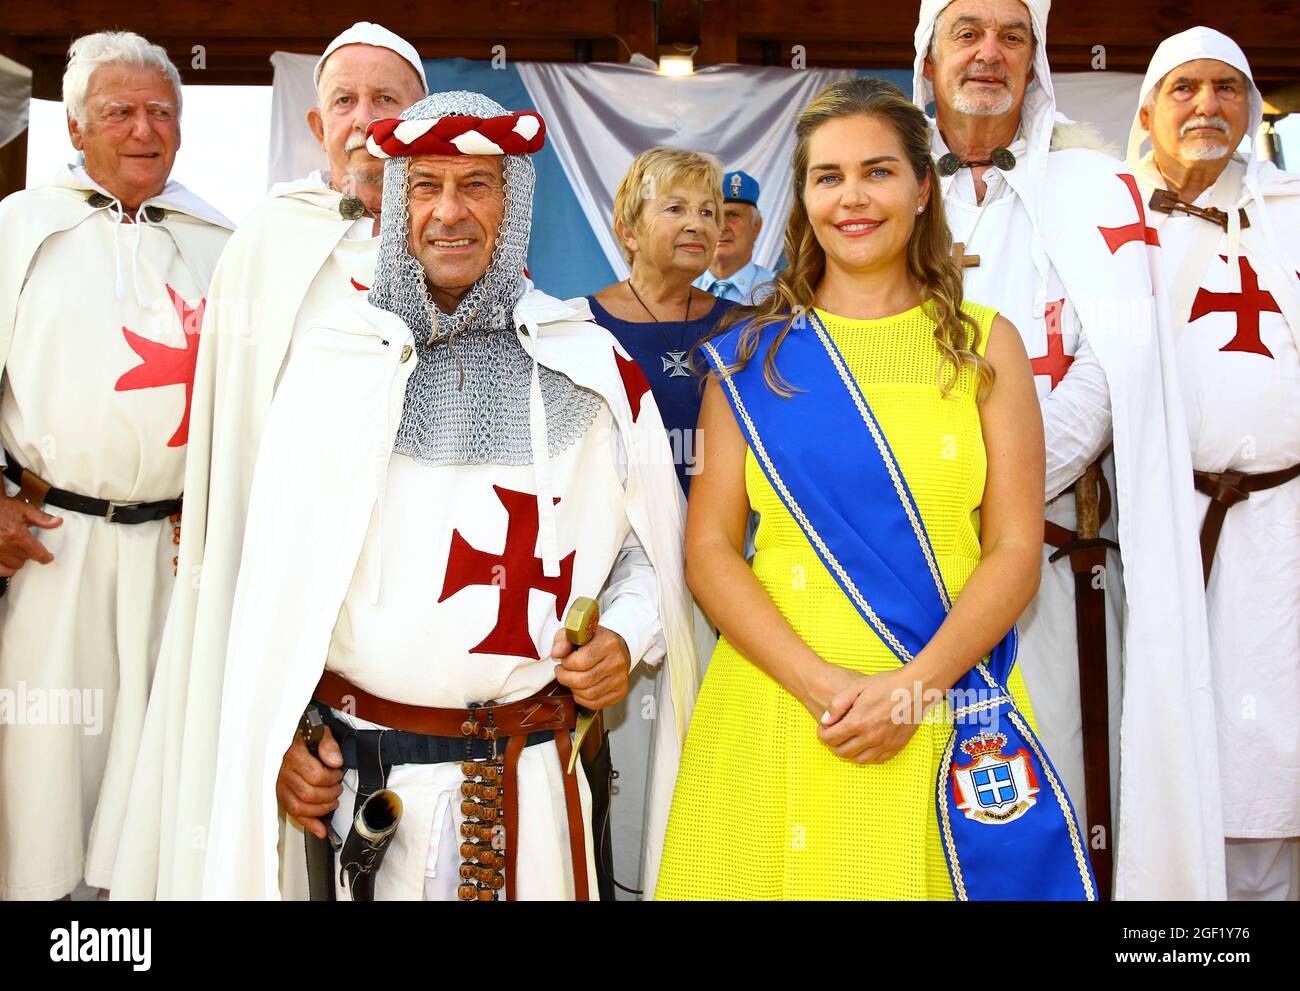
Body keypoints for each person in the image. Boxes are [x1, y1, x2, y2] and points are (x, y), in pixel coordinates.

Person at [201, 91, 699, 900]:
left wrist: (626, 633)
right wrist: (284, 734)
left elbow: (648, 553)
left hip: (528, 782)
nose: (449, 211)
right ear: (397, 201)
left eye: (477, 184)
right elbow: (275, 597)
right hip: (366, 781)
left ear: (513, 201)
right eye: (426, 184)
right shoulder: (334, 365)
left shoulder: (589, 366)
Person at [657, 76, 1095, 901]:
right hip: (780, 705)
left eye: (879, 171)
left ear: (923, 188)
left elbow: (1013, 546)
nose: (852, 197)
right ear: (804, 197)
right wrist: (829, 686)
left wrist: (914, 688)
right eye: (828, 176)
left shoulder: (986, 345)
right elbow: (710, 551)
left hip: (944, 703)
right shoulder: (748, 359)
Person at [109, 22, 427, 900]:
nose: (365, 119)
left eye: (387, 99)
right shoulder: (266, 244)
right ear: (317, 124)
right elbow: (238, 438)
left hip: (406, 578)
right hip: (281, 564)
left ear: (421, 115)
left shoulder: (454, 244)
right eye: (344, 101)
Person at [914, 0, 1221, 898]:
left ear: (1037, 61)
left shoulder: (1095, 191)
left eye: (1014, 37)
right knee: (917, 799)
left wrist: (989, 499)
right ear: (928, 57)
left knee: (1054, 798)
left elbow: (1108, 368)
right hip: (904, 562)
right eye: (966, 33)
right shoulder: (882, 181)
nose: (989, 53)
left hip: (1051, 563)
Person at [0, 31, 230, 900]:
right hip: (54, 550)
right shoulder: (19, 231)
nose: (144, 129)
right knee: (45, 770)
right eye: (120, 112)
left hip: (176, 559)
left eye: (162, 112)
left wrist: (219, 502)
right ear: (74, 128)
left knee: (159, 776)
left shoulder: (220, 243)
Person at [1127, 26, 1299, 901]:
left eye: (1227, 88)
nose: (1206, 104)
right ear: (1149, 109)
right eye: (1185, 88)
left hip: (1288, 529)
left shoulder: (1292, 214)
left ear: (1254, 110)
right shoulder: (1118, 229)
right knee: (1177, 756)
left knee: (1278, 750)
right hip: (1166, 524)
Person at [588, 148, 736, 493]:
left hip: (720, 538)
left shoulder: (740, 328)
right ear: (629, 233)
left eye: (708, 212)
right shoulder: (581, 325)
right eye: (675, 208)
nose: (697, 224)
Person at [693, 170, 777, 305]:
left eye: (732, 215)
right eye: (712, 215)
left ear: (756, 226)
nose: (721, 226)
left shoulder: (778, 293)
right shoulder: (679, 289)